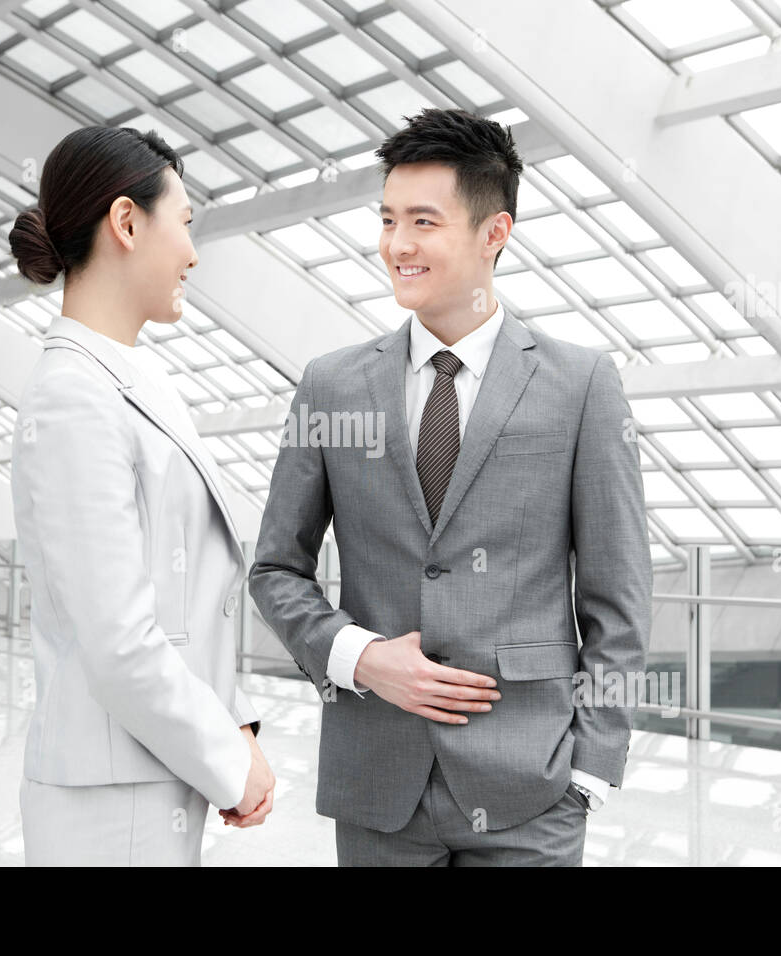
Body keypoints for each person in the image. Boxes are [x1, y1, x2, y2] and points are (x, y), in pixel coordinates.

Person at [249, 108, 652, 866]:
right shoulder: (332, 386)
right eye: (389, 220)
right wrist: (358, 655)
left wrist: (591, 769)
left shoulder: (580, 385)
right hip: (376, 789)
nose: (397, 245)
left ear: (493, 232)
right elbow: (276, 568)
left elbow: (617, 597)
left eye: (424, 222)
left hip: (532, 790)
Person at [9, 126, 273, 866]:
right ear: (126, 222)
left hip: (147, 776)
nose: (192, 253)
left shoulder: (131, 380)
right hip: (107, 803)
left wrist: (236, 720)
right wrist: (230, 758)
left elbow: (182, 604)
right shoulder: (71, 400)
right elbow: (119, 641)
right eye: (185, 223)